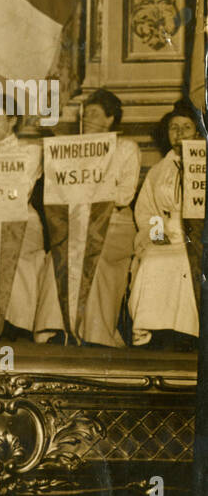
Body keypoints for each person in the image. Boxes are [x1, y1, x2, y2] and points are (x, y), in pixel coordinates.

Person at [34, 88, 137, 346]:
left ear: (110, 119)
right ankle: (56, 328)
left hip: (113, 225)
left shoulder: (126, 148)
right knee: (57, 257)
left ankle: (94, 332)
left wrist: (96, 195)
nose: (87, 118)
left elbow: (124, 196)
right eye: (85, 113)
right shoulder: (73, 149)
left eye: (94, 113)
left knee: (96, 261)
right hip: (75, 224)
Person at [129, 101, 203, 348]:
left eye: (186, 127)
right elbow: (148, 210)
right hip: (168, 236)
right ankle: (153, 331)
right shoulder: (159, 170)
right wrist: (158, 237)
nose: (180, 133)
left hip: (199, 239)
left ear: (198, 131)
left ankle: (189, 332)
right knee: (153, 258)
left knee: (185, 261)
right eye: (174, 127)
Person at [0, 105, 45, 340]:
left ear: (13, 120)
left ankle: (17, 322)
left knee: (15, 256)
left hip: (22, 220)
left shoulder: (30, 152)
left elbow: (20, 192)